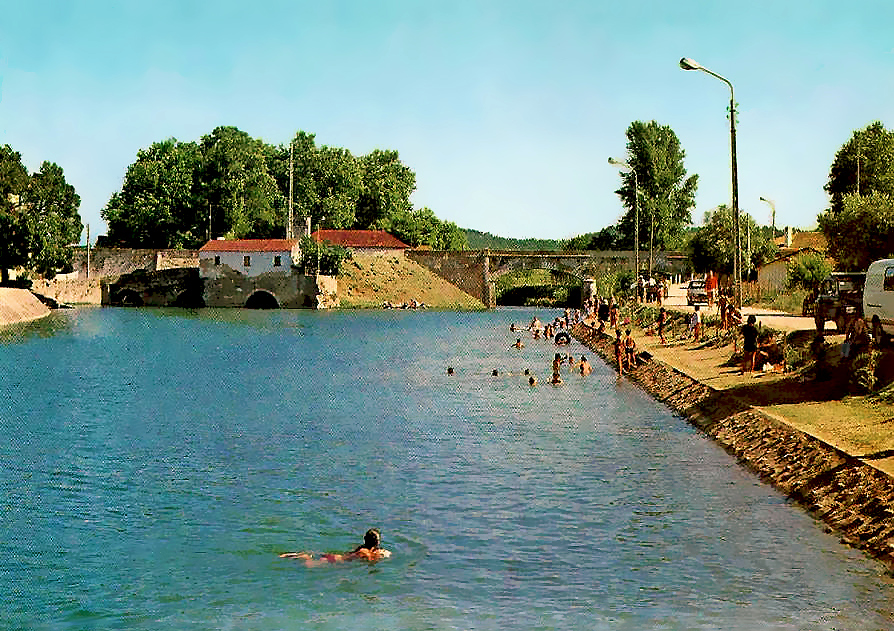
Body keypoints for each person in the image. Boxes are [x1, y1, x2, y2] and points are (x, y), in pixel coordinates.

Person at [280, 529, 391, 567]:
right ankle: (299, 556)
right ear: (376, 542)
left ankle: (293, 555)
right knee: (309, 564)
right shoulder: (365, 552)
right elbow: (371, 561)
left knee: (313, 556)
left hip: (336, 557)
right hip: (336, 560)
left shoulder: (361, 548)